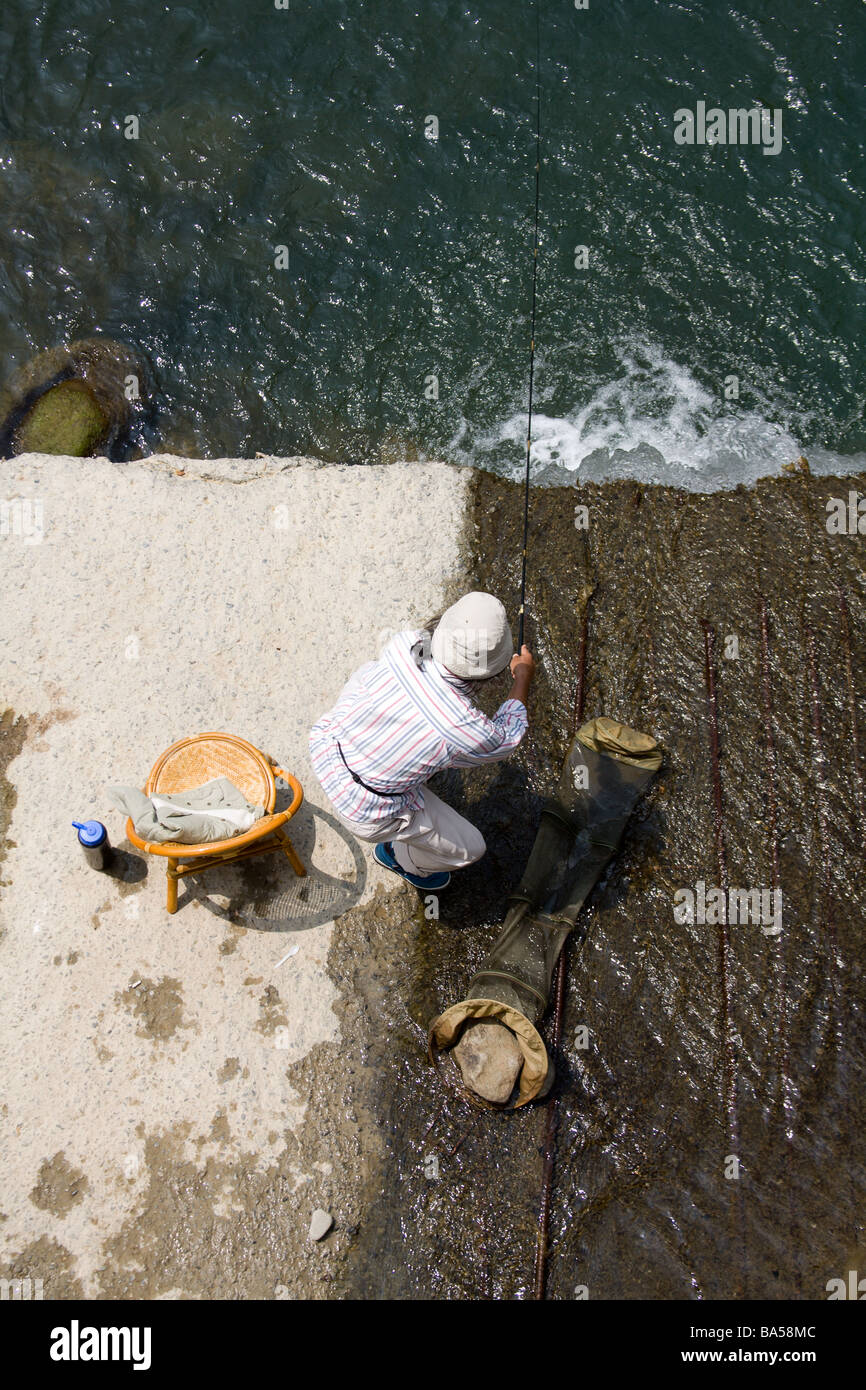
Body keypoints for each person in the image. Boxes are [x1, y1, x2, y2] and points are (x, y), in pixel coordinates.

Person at [309, 591, 535, 891]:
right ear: (490, 670)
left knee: (369, 676)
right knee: (471, 848)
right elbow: (509, 735)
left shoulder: (406, 642)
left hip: (327, 744)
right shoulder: (466, 728)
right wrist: (523, 677)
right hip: (365, 810)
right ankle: (400, 857)